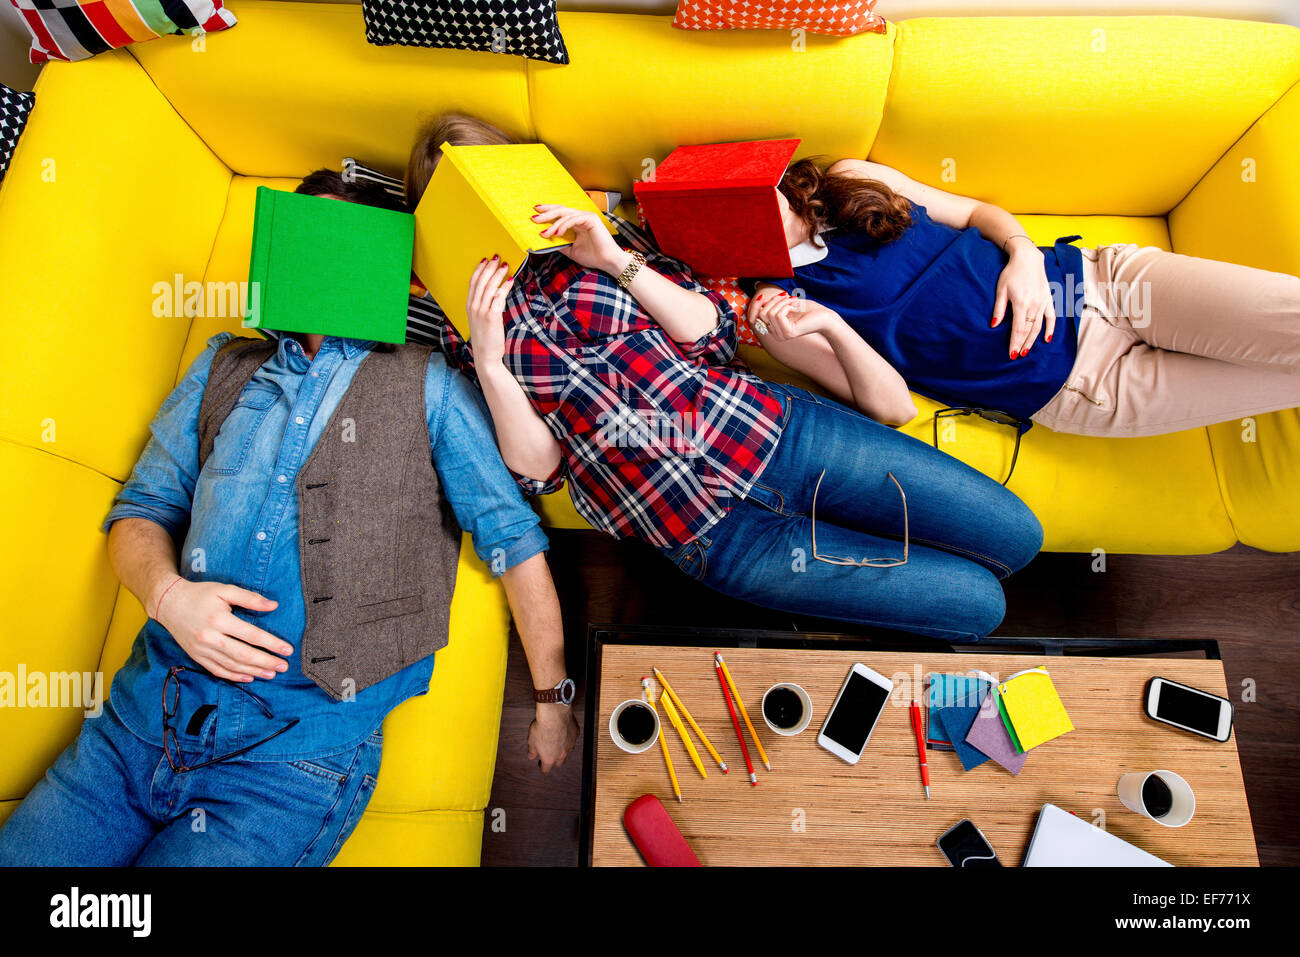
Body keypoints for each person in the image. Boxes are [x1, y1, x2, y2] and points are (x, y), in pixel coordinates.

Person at [0, 170, 579, 867]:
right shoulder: (223, 365)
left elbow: (513, 541)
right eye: (304, 232)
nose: (320, 250)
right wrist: (169, 597)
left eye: (339, 234)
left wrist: (552, 700)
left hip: (290, 766)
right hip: (133, 728)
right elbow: (140, 512)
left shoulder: (428, 384)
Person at [405, 131, 1043, 642]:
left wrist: (611, 260)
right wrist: (489, 357)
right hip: (715, 537)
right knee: (980, 606)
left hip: (779, 437)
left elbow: (710, 330)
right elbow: (542, 471)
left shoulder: (602, 233)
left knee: (1019, 537)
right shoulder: (463, 328)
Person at [746, 157, 1300, 438]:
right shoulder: (780, 312)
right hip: (1086, 383)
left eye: (747, 191)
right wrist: (832, 327)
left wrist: (1025, 256)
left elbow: (972, 213)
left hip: (1105, 281)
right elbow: (894, 409)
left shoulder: (848, 178)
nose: (755, 209)